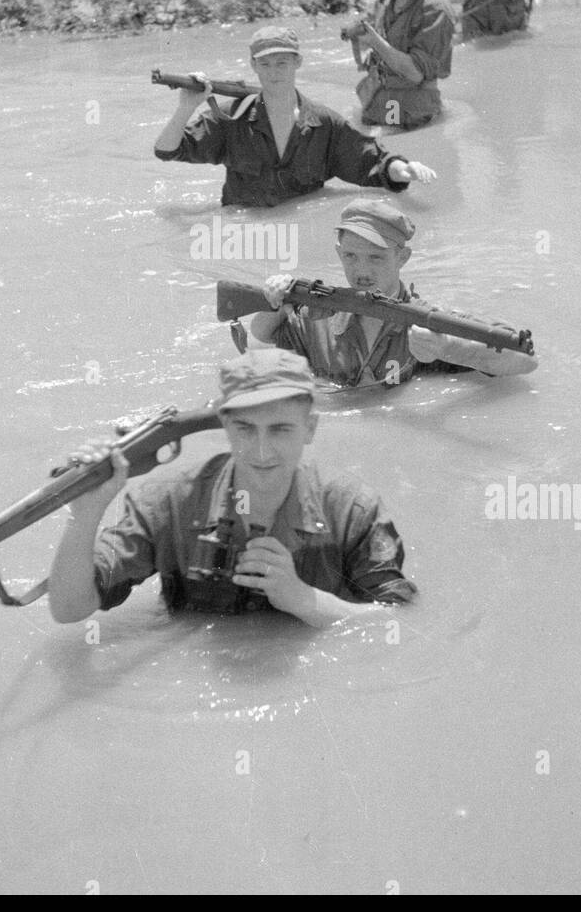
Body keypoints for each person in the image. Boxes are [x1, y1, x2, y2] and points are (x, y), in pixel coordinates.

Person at [47, 349, 417, 626]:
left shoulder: (350, 510)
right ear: (225, 428)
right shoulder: (169, 503)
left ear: (310, 428)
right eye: (245, 429)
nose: (261, 450)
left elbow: (400, 623)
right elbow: (69, 609)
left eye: (280, 429)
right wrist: (86, 514)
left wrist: (305, 600)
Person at [246, 199, 538, 387]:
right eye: (350, 256)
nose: (361, 270)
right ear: (338, 253)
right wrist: (273, 302)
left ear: (403, 258)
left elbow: (523, 363)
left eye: (376, 258)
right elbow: (254, 352)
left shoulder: (426, 323)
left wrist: (449, 348)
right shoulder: (316, 315)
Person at [154, 25, 437, 207]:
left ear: (297, 62)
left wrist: (403, 170)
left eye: (282, 63)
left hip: (300, 237)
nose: (274, 71)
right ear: (254, 66)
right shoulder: (231, 118)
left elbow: (371, 162)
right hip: (245, 236)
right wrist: (186, 106)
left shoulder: (324, 123)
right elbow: (167, 150)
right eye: (265, 64)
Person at [345, 0, 454, 131]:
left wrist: (375, 41)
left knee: (393, 147)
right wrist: (357, 36)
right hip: (380, 102)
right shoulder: (385, 1)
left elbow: (415, 74)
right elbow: (372, 51)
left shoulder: (435, 8)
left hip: (409, 108)